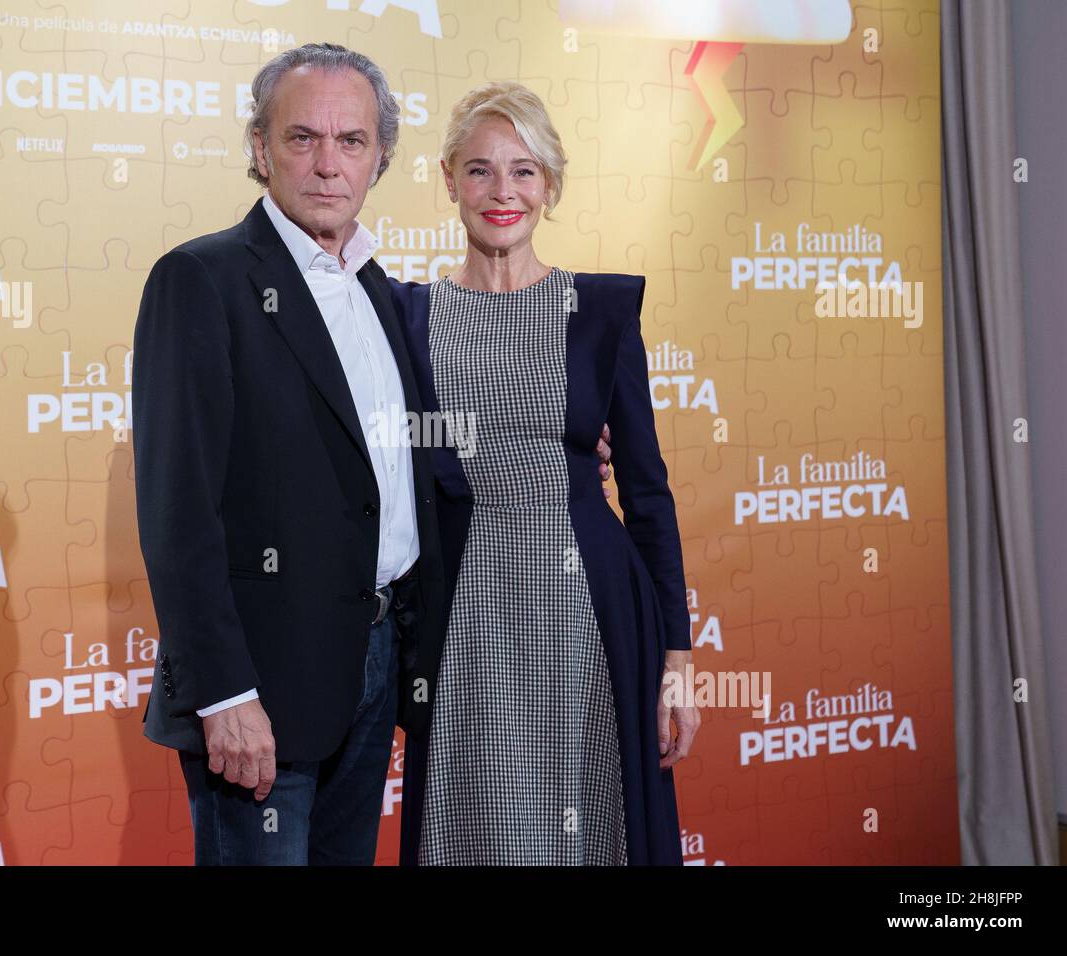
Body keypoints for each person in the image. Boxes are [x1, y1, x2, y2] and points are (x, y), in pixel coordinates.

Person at [131, 45, 614, 866]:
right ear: (259, 147)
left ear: (381, 157)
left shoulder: (386, 295)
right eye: (302, 139)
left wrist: (558, 448)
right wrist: (223, 693)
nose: (328, 164)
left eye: (351, 141)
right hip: (261, 689)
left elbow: (422, 452)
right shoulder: (201, 281)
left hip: (380, 666)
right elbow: (177, 513)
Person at [389, 81, 701, 865]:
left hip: (589, 606)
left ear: (551, 185)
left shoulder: (600, 313)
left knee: (596, 819)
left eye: (524, 171)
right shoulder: (407, 316)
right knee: (472, 827)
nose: (503, 192)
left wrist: (678, 659)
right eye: (482, 170)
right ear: (449, 177)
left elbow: (648, 492)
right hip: (466, 610)